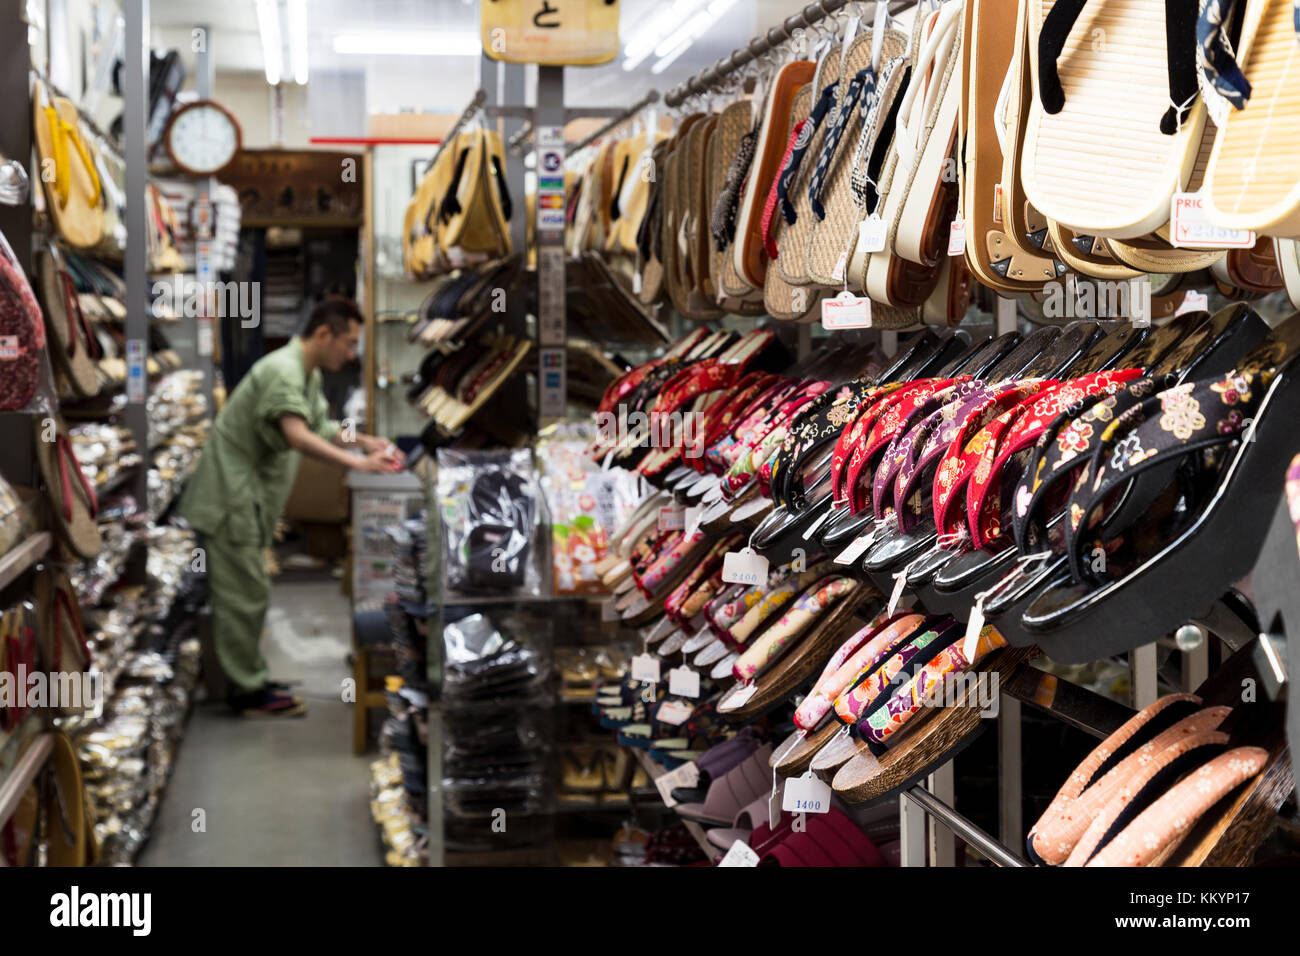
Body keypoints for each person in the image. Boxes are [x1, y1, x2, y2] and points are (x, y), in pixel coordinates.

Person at [178, 296, 402, 717]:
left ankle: (251, 677)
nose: (352, 354)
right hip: (230, 499)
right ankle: (247, 692)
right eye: (349, 343)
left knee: (250, 590)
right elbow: (299, 436)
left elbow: (321, 426)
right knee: (243, 594)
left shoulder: (305, 372)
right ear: (323, 334)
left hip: (247, 499)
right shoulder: (283, 370)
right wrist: (359, 463)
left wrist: (365, 440)